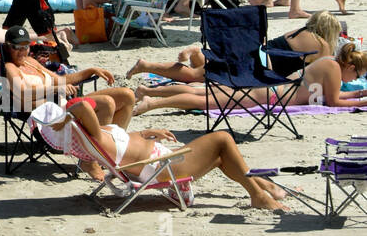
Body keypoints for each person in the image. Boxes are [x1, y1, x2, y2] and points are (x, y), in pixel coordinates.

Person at [32, 98, 287, 210]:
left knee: (220, 156)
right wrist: (68, 110)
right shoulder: (96, 136)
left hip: (160, 158)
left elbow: (127, 139)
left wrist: (147, 132)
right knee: (222, 139)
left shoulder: (98, 134)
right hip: (163, 168)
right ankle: (258, 194)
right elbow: (82, 105)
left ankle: (260, 184)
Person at [133, 42, 367, 118]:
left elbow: (330, 96)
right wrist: (362, 103)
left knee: (203, 93)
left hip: (272, 91)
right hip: (271, 95)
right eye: (357, 76)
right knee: (204, 99)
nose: (354, 80)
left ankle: (149, 93)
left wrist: (358, 95)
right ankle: (152, 101)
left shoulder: (330, 64)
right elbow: (334, 102)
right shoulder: (334, 68)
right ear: (351, 66)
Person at [128, 11, 342, 85]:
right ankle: (148, 65)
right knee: (196, 76)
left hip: (252, 53)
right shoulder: (323, 45)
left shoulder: (298, 32)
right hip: (257, 67)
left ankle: (197, 53)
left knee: (209, 73)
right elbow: (323, 70)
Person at [2, 24, 117, 113]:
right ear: (7, 47)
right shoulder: (10, 68)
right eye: (17, 47)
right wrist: (56, 89)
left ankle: (104, 140)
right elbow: (23, 93)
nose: (22, 51)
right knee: (107, 103)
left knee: (126, 95)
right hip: (51, 112)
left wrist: (91, 70)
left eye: (25, 46)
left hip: (62, 102)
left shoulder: (30, 61)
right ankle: (96, 141)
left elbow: (61, 80)